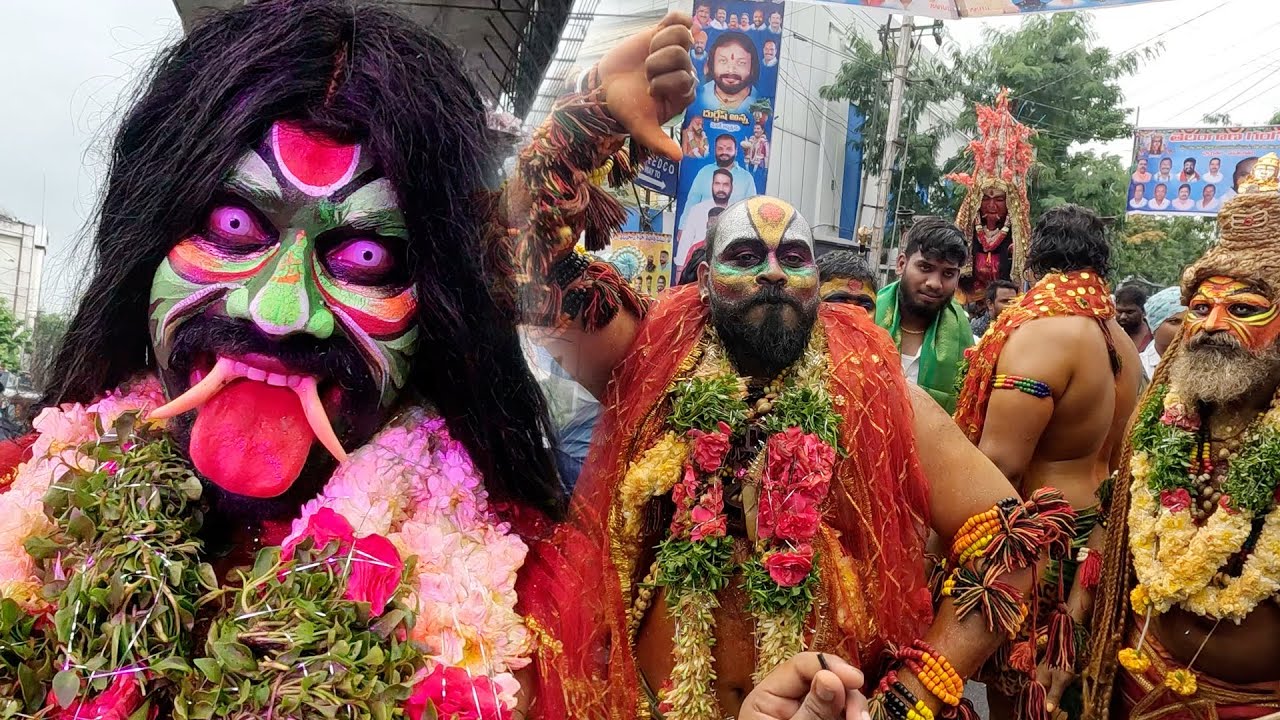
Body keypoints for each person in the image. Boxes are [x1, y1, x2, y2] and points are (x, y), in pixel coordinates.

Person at [548, 195, 1065, 720]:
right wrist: (587, 130)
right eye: (747, 256)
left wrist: (916, 693)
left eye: (793, 258)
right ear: (704, 278)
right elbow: (533, 265)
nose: (773, 274)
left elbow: (1013, 542)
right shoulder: (651, 366)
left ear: (817, 281)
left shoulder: (875, 395)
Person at [1082, 190, 1280, 720]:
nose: (1213, 325)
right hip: (1133, 680)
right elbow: (1118, 519)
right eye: (1200, 307)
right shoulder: (1164, 416)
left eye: (1243, 309)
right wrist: (1077, 617)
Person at [955, 205, 1142, 718]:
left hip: (1041, 543)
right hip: (1097, 540)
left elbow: (999, 463)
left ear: (1033, 264)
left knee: (1019, 695)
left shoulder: (1047, 333)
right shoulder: (1121, 341)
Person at [875, 217, 974, 412]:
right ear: (901, 264)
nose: (934, 283)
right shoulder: (865, 320)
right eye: (925, 268)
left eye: (948, 274)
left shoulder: (969, 346)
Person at [682, 134, 758, 222]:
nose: (724, 152)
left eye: (729, 149)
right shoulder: (704, 172)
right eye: (720, 148)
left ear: (736, 151)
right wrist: (682, 228)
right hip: (702, 230)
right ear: (715, 151)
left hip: (733, 232)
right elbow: (691, 202)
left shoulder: (746, 178)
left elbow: (751, 210)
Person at [679, 167, 737, 267]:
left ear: (732, 187)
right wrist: (680, 269)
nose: (721, 189)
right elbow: (685, 241)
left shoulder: (737, 211)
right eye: (717, 184)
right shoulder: (697, 210)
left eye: (725, 185)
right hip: (697, 266)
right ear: (712, 185)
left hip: (725, 268)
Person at [696, 31, 759, 113]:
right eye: (723, 61)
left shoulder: (760, 102)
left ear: (752, 68)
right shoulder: (698, 97)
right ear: (712, 64)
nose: (730, 70)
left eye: (741, 63)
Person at [1138, 286, 1185, 379]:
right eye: (1174, 321)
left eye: (1189, 321)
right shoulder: (1137, 366)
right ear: (1151, 325)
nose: (1184, 328)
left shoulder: (1204, 367)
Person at [1116, 285, 1153, 352]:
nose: (1123, 316)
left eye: (1130, 312)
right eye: (1119, 311)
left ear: (1143, 311)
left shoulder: (1155, 337)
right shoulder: (1112, 336)